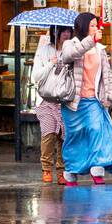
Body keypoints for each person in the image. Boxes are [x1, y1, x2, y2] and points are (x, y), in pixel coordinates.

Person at [58, 12, 112, 186]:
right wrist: (91, 41)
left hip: (93, 100)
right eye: (93, 25)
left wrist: (109, 95)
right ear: (84, 26)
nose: (96, 28)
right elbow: (69, 56)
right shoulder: (70, 44)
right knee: (74, 136)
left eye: (97, 25)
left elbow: (106, 76)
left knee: (95, 131)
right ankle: (71, 172)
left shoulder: (100, 49)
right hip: (73, 102)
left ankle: (97, 169)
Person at [32, 25, 73, 185]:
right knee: (48, 135)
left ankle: (62, 171)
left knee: (64, 137)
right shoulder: (44, 50)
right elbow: (36, 76)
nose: (66, 34)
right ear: (55, 32)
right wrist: (50, 64)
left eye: (69, 31)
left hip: (65, 101)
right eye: (63, 31)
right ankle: (46, 169)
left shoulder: (71, 52)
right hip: (47, 100)